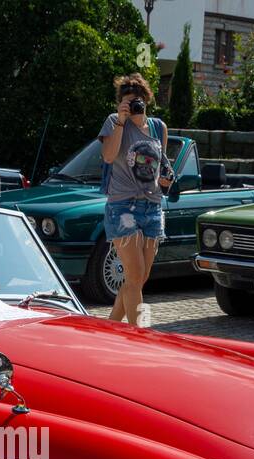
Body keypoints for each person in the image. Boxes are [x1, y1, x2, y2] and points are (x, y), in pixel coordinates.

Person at [98, 73, 171, 325]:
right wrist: (121, 121)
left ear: (147, 100)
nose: (135, 106)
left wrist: (166, 179)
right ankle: (137, 335)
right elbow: (108, 156)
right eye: (129, 102)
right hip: (123, 207)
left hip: (152, 206)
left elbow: (160, 165)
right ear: (121, 103)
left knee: (138, 278)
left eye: (138, 101)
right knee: (135, 274)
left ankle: (111, 328)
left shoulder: (159, 127)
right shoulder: (114, 122)